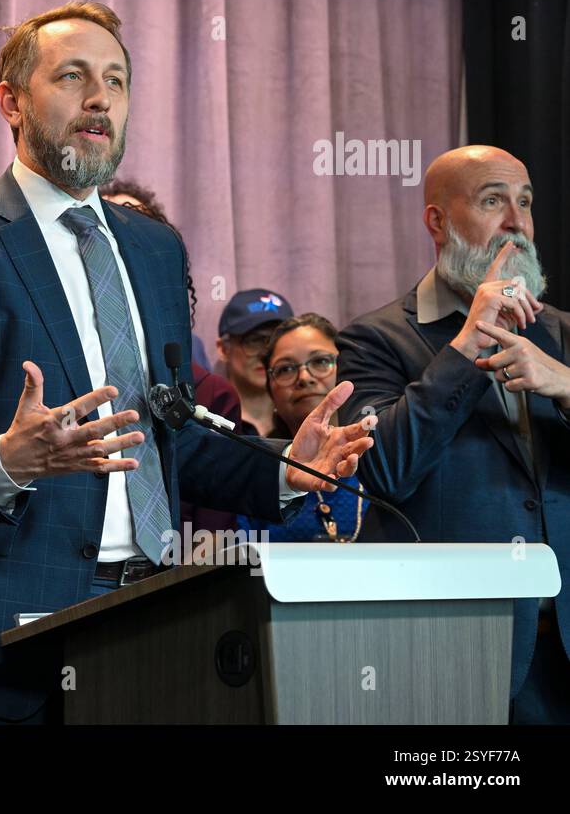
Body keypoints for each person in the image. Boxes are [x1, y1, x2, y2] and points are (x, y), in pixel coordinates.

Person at [0, 0, 373, 723]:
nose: (98, 98)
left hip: (154, 628)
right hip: (5, 654)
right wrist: (9, 460)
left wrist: (285, 468)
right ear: (10, 102)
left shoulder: (153, 249)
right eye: (73, 76)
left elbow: (170, 439)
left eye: (115, 80)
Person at [338, 145, 570, 723]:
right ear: (437, 221)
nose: (517, 223)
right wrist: (469, 342)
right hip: (449, 645)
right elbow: (386, 469)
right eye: (494, 201)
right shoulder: (373, 340)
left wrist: (566, 385)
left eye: (525, 203)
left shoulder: (564, 336)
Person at [100, 180, 242, 534]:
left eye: (134, 220)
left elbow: (215, 499)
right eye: (107, 221)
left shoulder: (211, 392)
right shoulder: (70, 365)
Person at [238, 314, 370, 542]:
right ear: (271, 391)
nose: (304, 378)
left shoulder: (386, 459)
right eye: (286, 369)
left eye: (320, 362)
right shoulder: (255, 473)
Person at [216, 288, 294, 436]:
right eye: (254, 341)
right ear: (223, 349)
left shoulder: (301, 422)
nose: (266, 353)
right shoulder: (208, 425)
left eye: (276, 341)